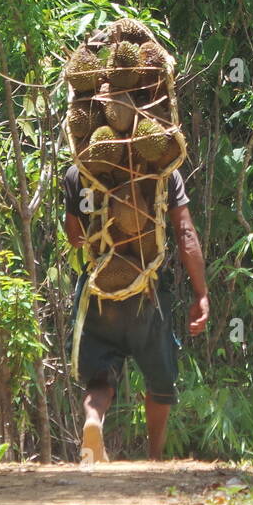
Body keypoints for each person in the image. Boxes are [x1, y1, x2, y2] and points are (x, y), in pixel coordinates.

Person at [62, 164, 209, 462]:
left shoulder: (79, 172)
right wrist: (201, 292)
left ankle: (93, 421)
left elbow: (75, 236)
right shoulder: (164, 172)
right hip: (147, 291)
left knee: (99, 379)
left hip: (100, 289)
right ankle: (154, 458)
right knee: (160, 381)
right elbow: (184, 233)